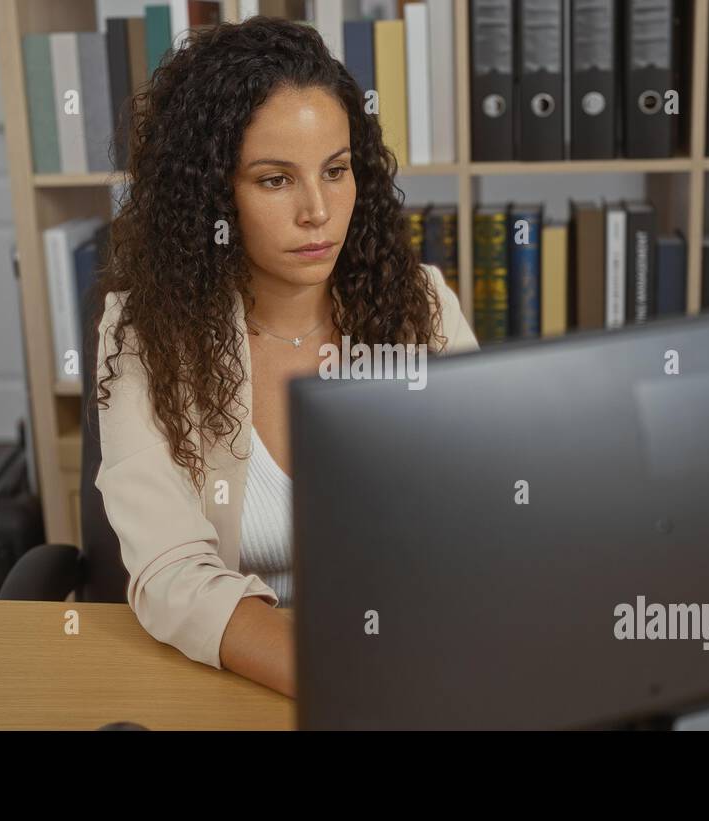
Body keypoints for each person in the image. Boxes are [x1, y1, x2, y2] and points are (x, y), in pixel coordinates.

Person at [91, 16, 478, 697]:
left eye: (336, 170)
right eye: (275, 180)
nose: (318, 211)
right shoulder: (143, 334)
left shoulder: (421, 306)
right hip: (242, 680)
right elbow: (173, 572)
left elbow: (484, 508)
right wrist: (343, 678)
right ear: (214, 193)